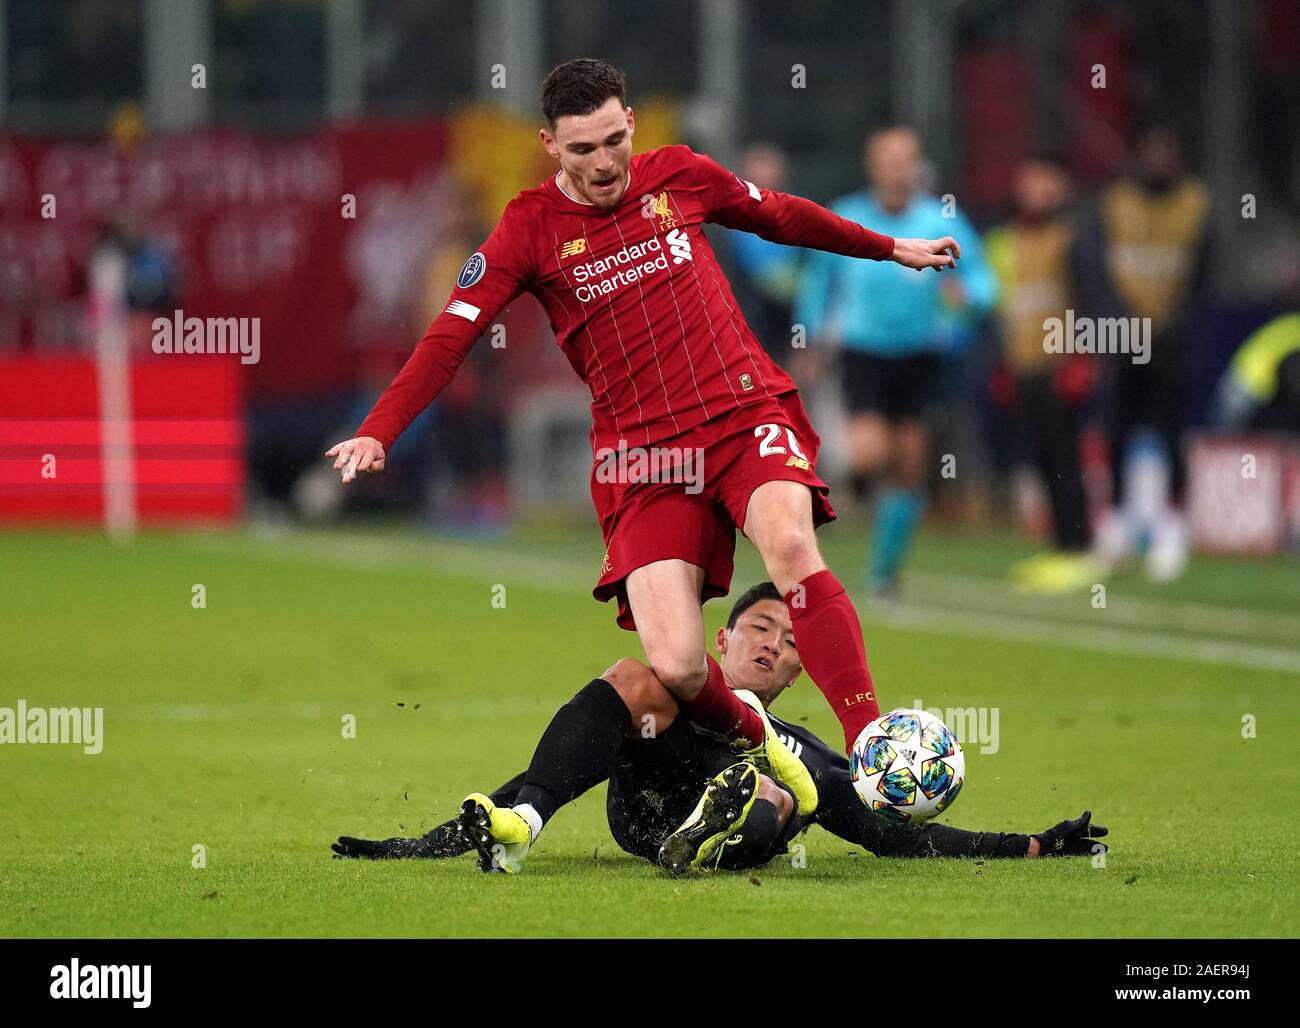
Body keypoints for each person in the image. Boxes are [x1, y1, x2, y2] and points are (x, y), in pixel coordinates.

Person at [323, 59, 964, 792]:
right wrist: (380, 428)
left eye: (611, 141)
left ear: (630, 123)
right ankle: (772, 747)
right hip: (645, 455)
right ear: (549, 146)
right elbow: (452, 334)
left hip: (738, 409)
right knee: (679, 664)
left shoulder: (680, 175)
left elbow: (779, 212)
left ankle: (871, 749)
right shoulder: (528, 229)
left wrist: (887, 247)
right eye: (581, 150)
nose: (602, 164)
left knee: (789, 541)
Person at [332, 583, 1109, 874]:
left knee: (780, 789)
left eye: (795, 642)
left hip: (742, 812)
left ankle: (718, 830)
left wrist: (1032, 845)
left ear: (800, 674)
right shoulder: (677, 688)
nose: (776, 643)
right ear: (724, 643)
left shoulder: (801, 745)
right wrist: (415, 844)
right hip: (644, 807)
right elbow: (569, 761)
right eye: (761, 628)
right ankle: (690, 824)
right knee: (636, 680)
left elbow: (888, 834)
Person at [795, 127, 998, 598]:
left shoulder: (938, 218)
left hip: (921, 355)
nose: (897, 168)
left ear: (917, 164)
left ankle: (884, 573)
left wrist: (967, 295)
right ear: (873, 165)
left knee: (909, 466)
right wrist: (807, 337)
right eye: (888, 159)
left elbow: (985, 281)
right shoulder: (849, 216)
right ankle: (851, 490)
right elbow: (817, 281)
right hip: (863, 352)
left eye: (905, 159)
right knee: (871, 452)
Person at [1084, 127, 1211, 582]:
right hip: (1123, 334)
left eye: (1167, 153)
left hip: (1174, 338)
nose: (1159, 162)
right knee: (1116, 425)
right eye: (1151, 152)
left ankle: (1171, 527)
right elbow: (1097, 271)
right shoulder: (1114, 203)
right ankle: (1116, 522)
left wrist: (1179, 324)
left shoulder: (1197, 204)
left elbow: (1204, 276)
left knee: (1171, 430)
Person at [985, 155, 1101, 593]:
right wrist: (1001, 364)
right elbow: (999, 308)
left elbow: (1094, 300)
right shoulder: (1004, 240)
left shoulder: (1075, 237)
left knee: (1067, 457)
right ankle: (1057, 544)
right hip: (1023, 366)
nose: (1036, 190)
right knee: (1041, 458)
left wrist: (1084, 359)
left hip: (1062, 366)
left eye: (1045, 182)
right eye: (1028, 181)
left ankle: (1081, 548)